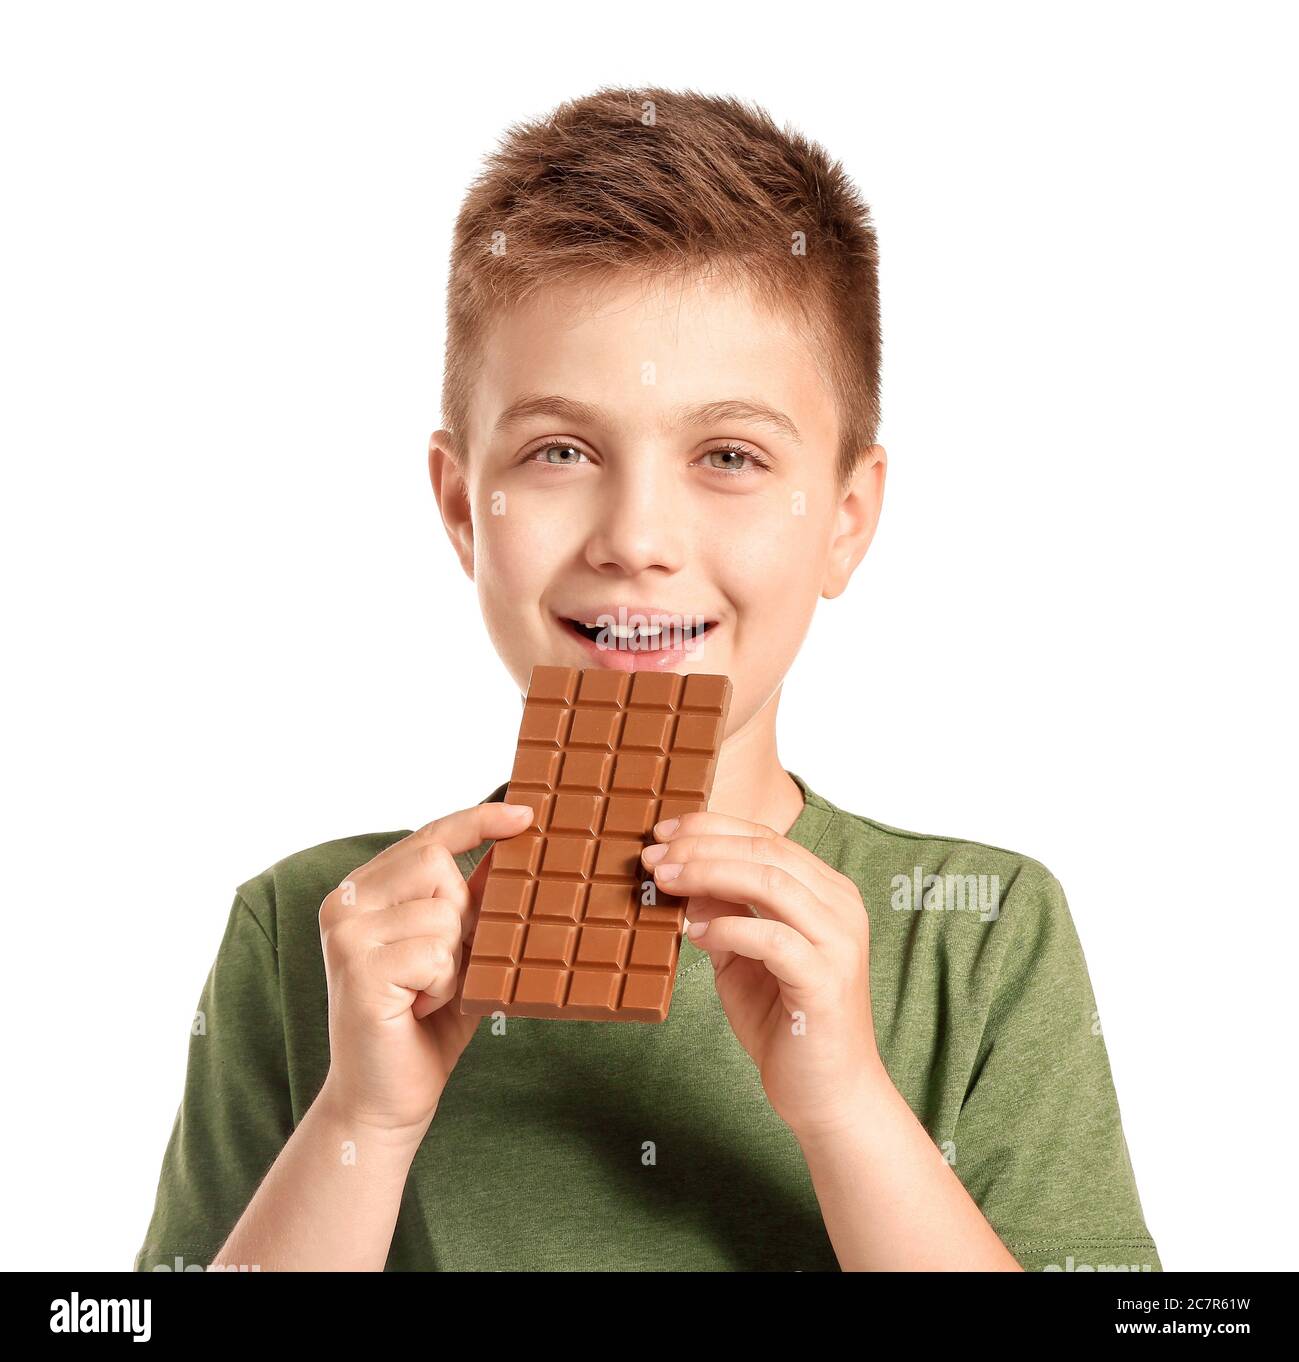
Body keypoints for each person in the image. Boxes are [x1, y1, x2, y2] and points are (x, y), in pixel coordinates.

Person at [135, 86, 1160, 1272]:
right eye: (560, 452)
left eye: (728, 456)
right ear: (467, 508)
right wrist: (362, 1121)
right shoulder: (318, 933)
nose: (636, 535)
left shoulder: (977, 938)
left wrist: (846, 1109)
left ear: (843, 517)